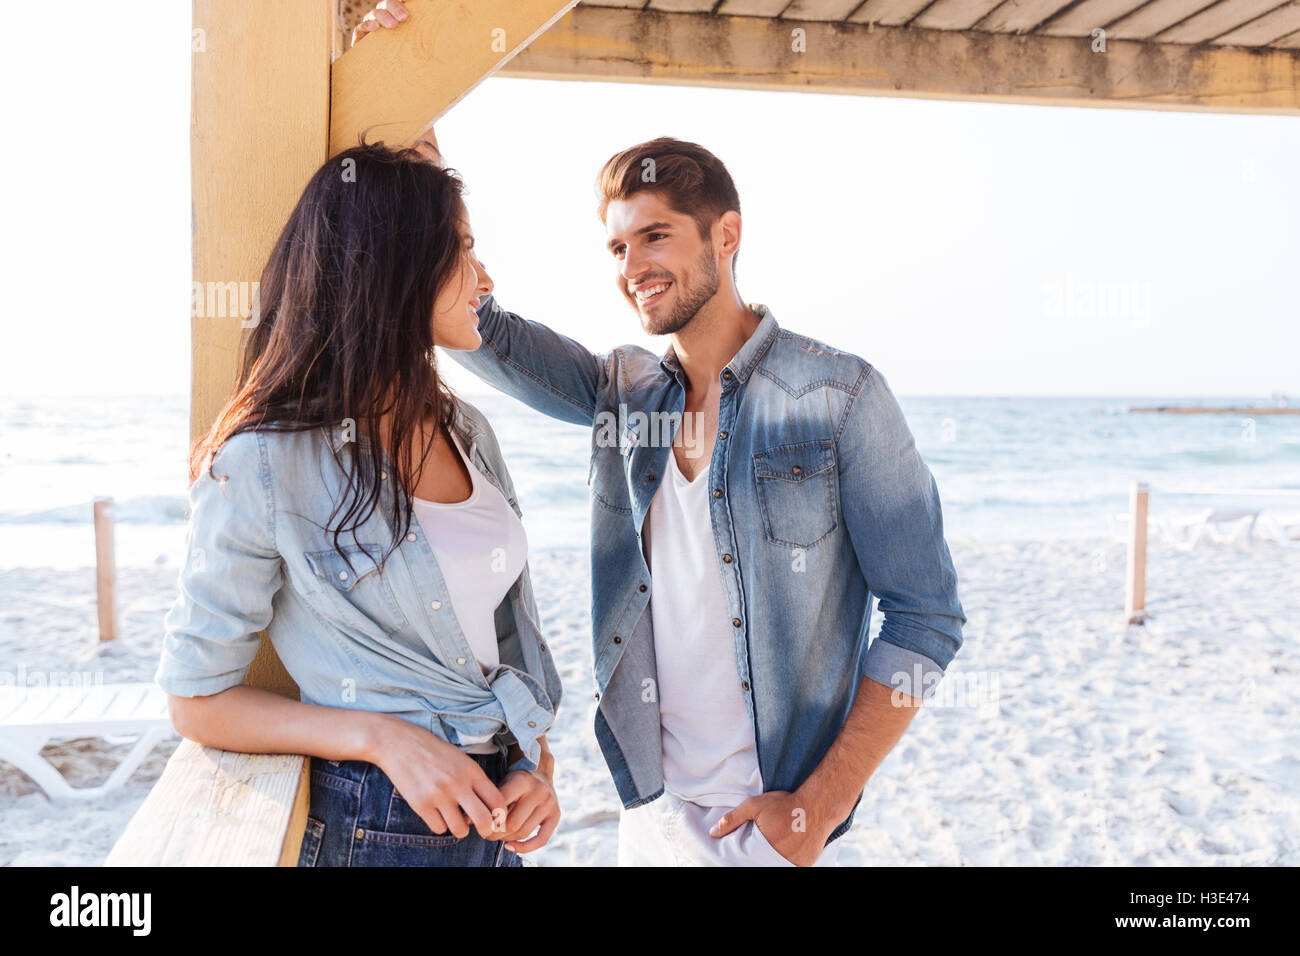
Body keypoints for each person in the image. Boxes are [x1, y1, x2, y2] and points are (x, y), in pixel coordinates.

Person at [354, 4, 966, 869]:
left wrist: (820, 808)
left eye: (655, 237)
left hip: (775, 824)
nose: (632, 266)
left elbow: (926, 618)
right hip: (651, 812)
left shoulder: (840, 396)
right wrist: (410, 114)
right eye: (615, 248)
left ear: (727, 235)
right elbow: (480, 321)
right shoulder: (622, 393)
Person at [157, 140, 562, 867]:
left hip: (494, 819)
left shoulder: (469, 431)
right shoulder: (265, 463)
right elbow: (195, 699)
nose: (486, 279)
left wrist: (536, 764)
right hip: (376, 827)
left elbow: (507, 637)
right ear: (398, 269)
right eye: (463, 252)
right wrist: (380, 735)